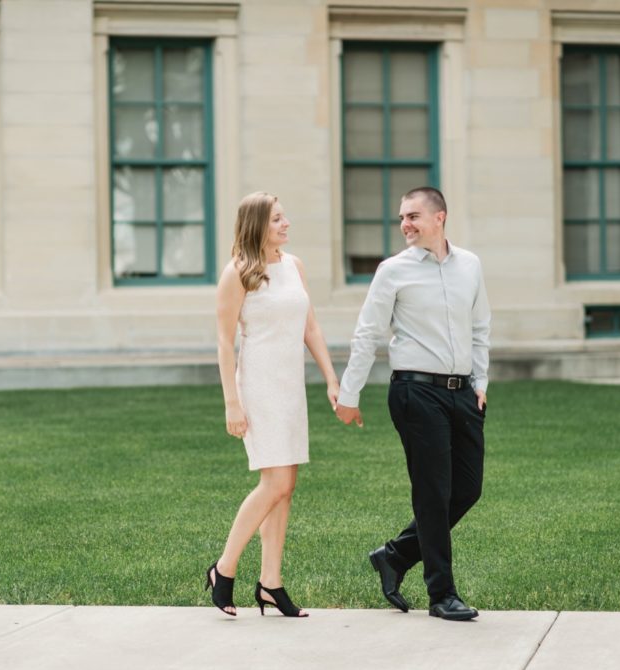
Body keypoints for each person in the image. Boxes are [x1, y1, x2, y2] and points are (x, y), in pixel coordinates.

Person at [335, 187, 490, 621]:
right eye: (402, 217)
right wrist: (349, 394)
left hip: (463, 393)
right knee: (433, 493)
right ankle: (442, 594)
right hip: (415, 392)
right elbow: (367, 334)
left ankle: (396, 555)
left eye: (413, 216)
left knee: (468, 488)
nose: (405, 224)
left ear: (440, 217)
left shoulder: (471, 266)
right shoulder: (392, 271)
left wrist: (480, 381)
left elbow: (480, 328)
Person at [206, 191, 339, 618]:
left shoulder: (294, 266)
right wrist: (232, 403)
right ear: (257, 225)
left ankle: (270, 583)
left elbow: (311, 327)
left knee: (286, 487)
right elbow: (225, 343)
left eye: (285, 217)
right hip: (258, 385)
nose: (286, 224)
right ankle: (223, 571)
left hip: (290, 385)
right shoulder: (237, 273)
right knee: (275, 484)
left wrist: (331, 378)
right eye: (277, 218)